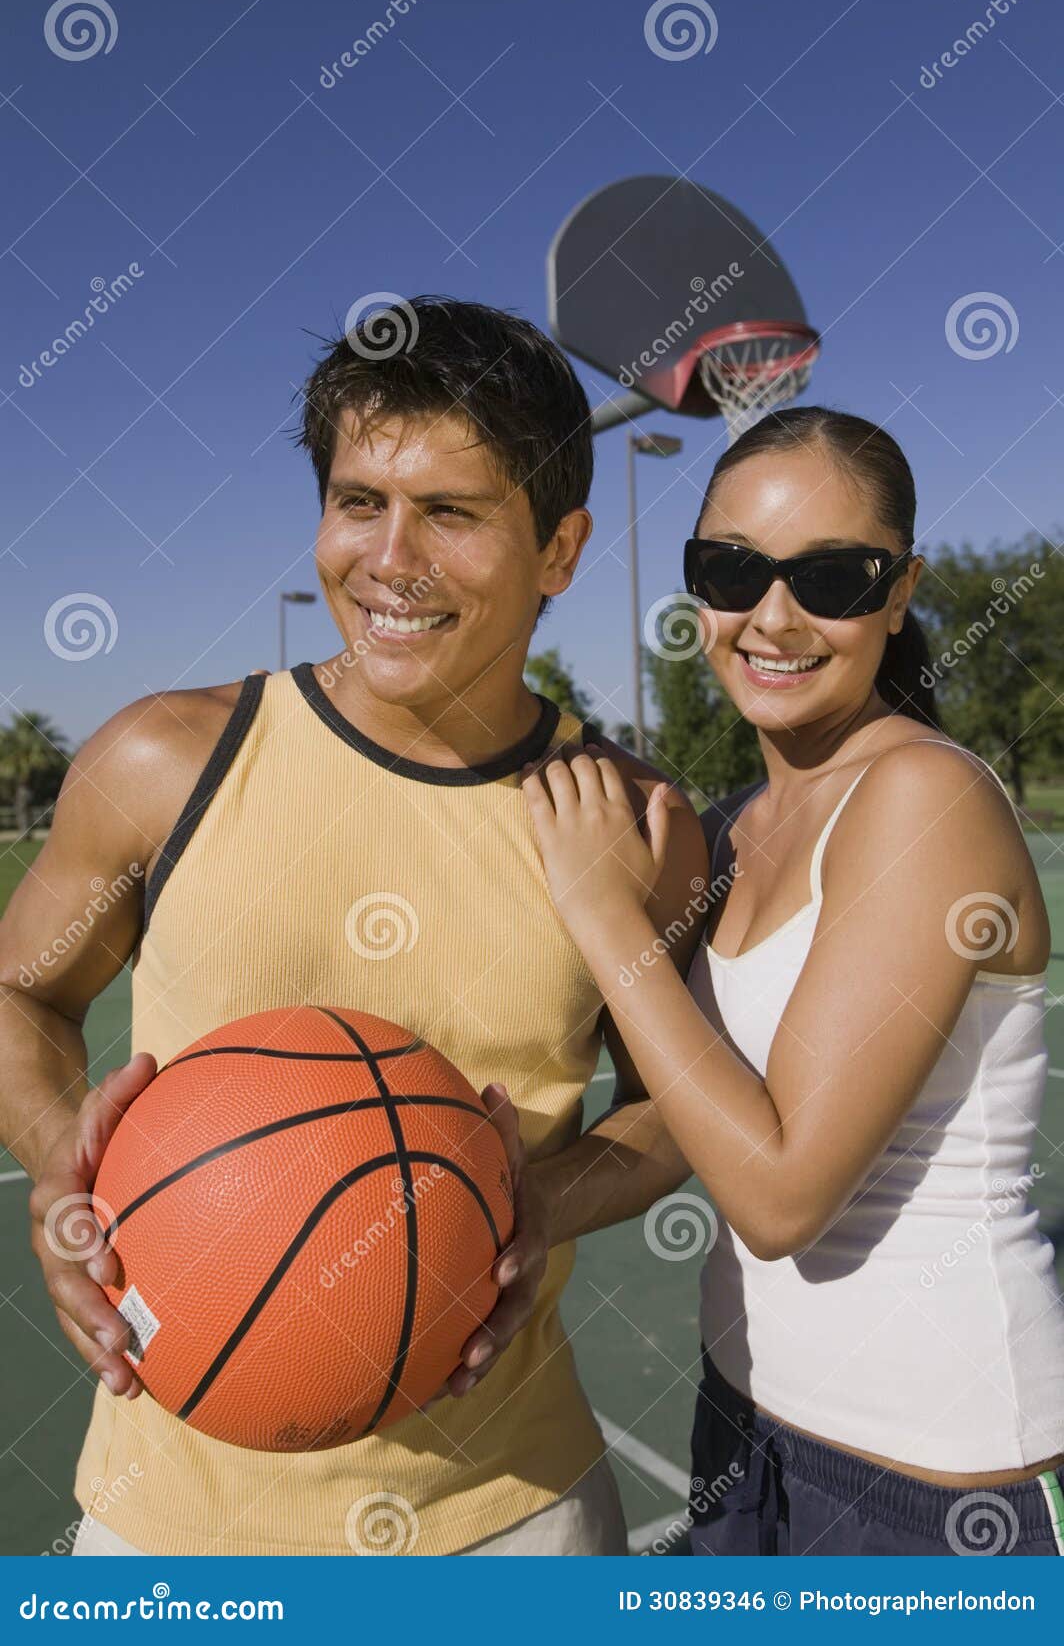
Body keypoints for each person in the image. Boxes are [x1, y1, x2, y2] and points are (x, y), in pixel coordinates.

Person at [0, 298, 709, 1556]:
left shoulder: (632, 824)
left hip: (508, 1508)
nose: (390, 558)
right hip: (172, 1520)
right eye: (359, 501)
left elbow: (670, 1110)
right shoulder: (166, 757)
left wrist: (534, 1202)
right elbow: (21, 992)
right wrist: (66, 1161)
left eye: (451, 512)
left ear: (559, 550)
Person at [522, 406, 1064, 1556]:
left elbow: (776, 1198)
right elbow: (680, 1116)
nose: (771, 616)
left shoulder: (923, 798)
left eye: (829, 578)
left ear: (899, 590)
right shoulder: (733, 827)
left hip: (933, 1480)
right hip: (745, 1422)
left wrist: (600, 911)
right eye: (731, 569)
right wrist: (491, 1206)